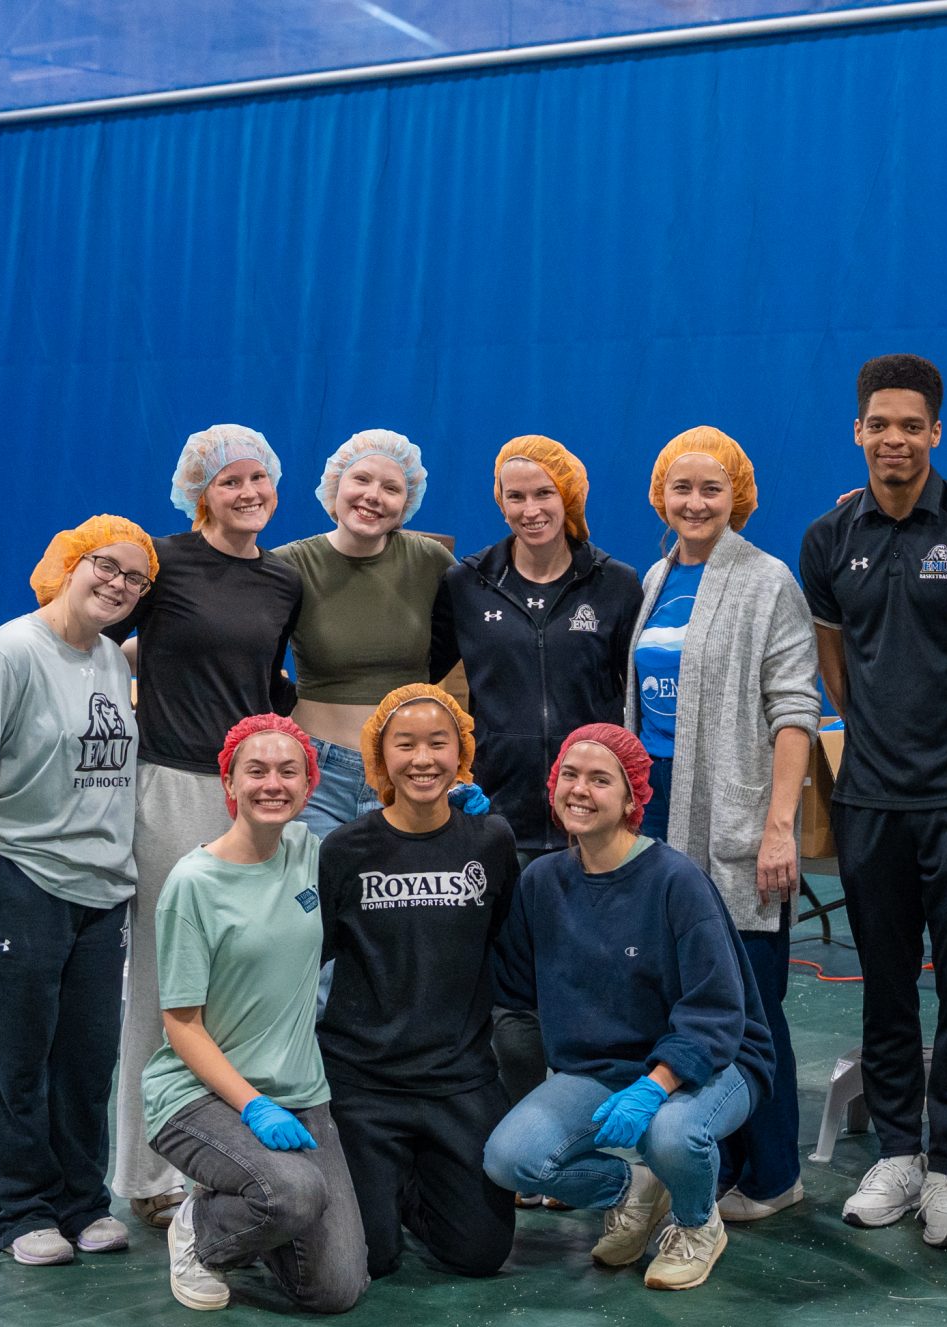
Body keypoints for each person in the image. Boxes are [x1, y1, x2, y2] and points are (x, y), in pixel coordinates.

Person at [798, 354, 947, 1248]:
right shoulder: (828, 539)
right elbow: (835, 669)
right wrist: (889, 739)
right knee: (886, 981)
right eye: (878, 424)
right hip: (871, 796)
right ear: (858, 431)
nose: (893, 438)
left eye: (911, 425)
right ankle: (897, 1151)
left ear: (935, 433)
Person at [0, 515, 157, 1265]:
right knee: (15, 1056)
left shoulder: (109, 660)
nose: (118, 584)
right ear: (69, 561)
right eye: (107, 566)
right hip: (18, 875)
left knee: (88, 1057)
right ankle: (23, 1211)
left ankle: (82, 1201)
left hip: (101, 888)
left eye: (135, 578)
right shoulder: (7, 653)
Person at [482, 725, 774, 1292]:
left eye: (599, 780)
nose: (580, 790)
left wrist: (655, 1086)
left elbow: (716, 1011)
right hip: (598, 1070)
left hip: (713, 1061)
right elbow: (508, 988)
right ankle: (632, 1191)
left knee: (670, 1134)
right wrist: (465, 836)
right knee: (510, 1160)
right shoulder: (542, 882)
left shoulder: (675, 880)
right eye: (569, 775)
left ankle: (696, 1225)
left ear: (632, 797)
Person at [104, 424, 302, 1230]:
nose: (248, 492)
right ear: (199, 492)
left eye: (260, 478)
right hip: (170, 788)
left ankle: (223, 1148)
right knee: (161, 982)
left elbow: (270, 684)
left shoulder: (285, 582)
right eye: (231, 482)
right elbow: (99, 642)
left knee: (242, 985)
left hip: (249, 798)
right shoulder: (161, 560)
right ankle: (147, 1169)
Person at [625, 426, 818, 1223]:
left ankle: (774, 1173)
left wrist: (781, 825)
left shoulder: (767, 579)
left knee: (749, 1004)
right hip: (660, 805)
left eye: (712, 489)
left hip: (734, 812)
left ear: (738, 494)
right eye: (682, 488)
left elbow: (796, 707)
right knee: (686, 997)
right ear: (660, 496)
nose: (696, 502)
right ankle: (715, 1156)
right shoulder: (657, 575)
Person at [429, 436, 644, 1134]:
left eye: (543, 494)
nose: (530, 509)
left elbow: (631, 702)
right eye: (515, 496)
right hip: (504, 820)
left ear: (569, 498)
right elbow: (419, 682)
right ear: (499, 501)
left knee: (593, 989)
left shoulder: (616, 584)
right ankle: (529, 1132)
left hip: (594, 827)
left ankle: (593, 1130)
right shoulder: (467, 583)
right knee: (511, 1000)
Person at [141, 714, 369, 1314]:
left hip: (300, 1093)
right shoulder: (194, 883)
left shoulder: (311, 852)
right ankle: (201, 1232)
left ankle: (250, 1201)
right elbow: (181, 1024)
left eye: (289, 771)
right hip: (201, 1096)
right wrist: (253, 1105)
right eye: (257, 771)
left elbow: (392, 845)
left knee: (337, 1289)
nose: (274, 784)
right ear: (230, 784)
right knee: (293, 1193)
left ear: (309, 784)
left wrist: (459, 821)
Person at [317, 685, 521, 1278]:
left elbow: (508, 943)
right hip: (364, 1082)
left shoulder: (491, 841)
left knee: (479, 1255)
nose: (423, 759)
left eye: (439, 743)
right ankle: (385, 1191)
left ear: (462, 753)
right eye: (405, 744)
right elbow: (309, 957)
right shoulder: (344, 848)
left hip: (459, 1081)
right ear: (382, 757)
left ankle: (412, 1186)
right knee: (373, 1259)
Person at [273, 430, 453, 836]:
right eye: (362, 480)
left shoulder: (430, 562)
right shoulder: (288, 566)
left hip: (407, 776)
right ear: (335, 485)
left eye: (391, 488)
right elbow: (231, 644)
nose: (373, 495)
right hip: (316, 776)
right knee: (317, 897)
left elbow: (472, 645)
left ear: (406, 506)